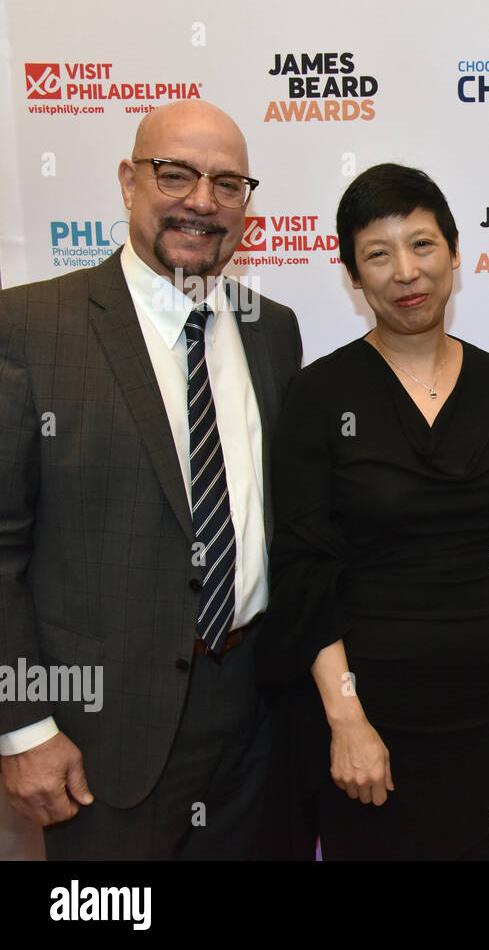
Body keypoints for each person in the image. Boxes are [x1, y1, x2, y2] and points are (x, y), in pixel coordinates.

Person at [0, 100, 302, 859]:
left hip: (255, 717)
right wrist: (25, 726)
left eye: (227, 184)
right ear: (129, 182)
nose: (202, 201)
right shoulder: (30, 329)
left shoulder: (273, 330)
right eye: (176, 175)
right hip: (103, 734)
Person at [259, 163, 489, 860]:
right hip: (370, 720)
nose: (406, 272)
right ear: (352, 275)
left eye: (422, 245)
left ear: (456, 252)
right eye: (378, 255)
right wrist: (346, 720)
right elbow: (301, 566)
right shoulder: (319, 396)